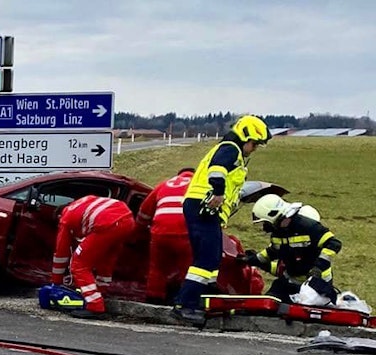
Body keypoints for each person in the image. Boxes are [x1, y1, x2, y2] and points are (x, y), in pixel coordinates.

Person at [172, 115, 271, 324]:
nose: (254, 149)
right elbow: (217, 170)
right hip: (204, 207)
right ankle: (185, 304)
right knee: (206, 259)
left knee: (211, 257)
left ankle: (202, 299)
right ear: (245, 137)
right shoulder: (230, 149)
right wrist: (218, 193)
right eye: (254, 144)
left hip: (203, 209)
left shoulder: (232, 150)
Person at [50, 195, 151, 318]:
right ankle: (101, 293)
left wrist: (56, 283)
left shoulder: (65, 218)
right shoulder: (83, 202)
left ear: (59, 216)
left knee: (78, 264)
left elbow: (61, 253)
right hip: (127, 220)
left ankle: (95, 306)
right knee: (106, 261)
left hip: (106, 224)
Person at [242, 194, 342, 304]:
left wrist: (319, 267)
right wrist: (252, 259)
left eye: (266, 222)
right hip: (291, 280)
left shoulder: (308, 226)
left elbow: (334, 244)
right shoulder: (278, 233)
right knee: (269, 302)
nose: (265, 227)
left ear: (274, 215)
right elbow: (273, 251)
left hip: (316, 284)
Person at [140, 167, 195, 304]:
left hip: (159, 232)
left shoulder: (164, 184)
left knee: (157, 267)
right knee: (188, 269)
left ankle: (154, 299)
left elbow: (144, 211)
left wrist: (140, 229)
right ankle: (185, 300)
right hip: (185, 232)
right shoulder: (197, 183)